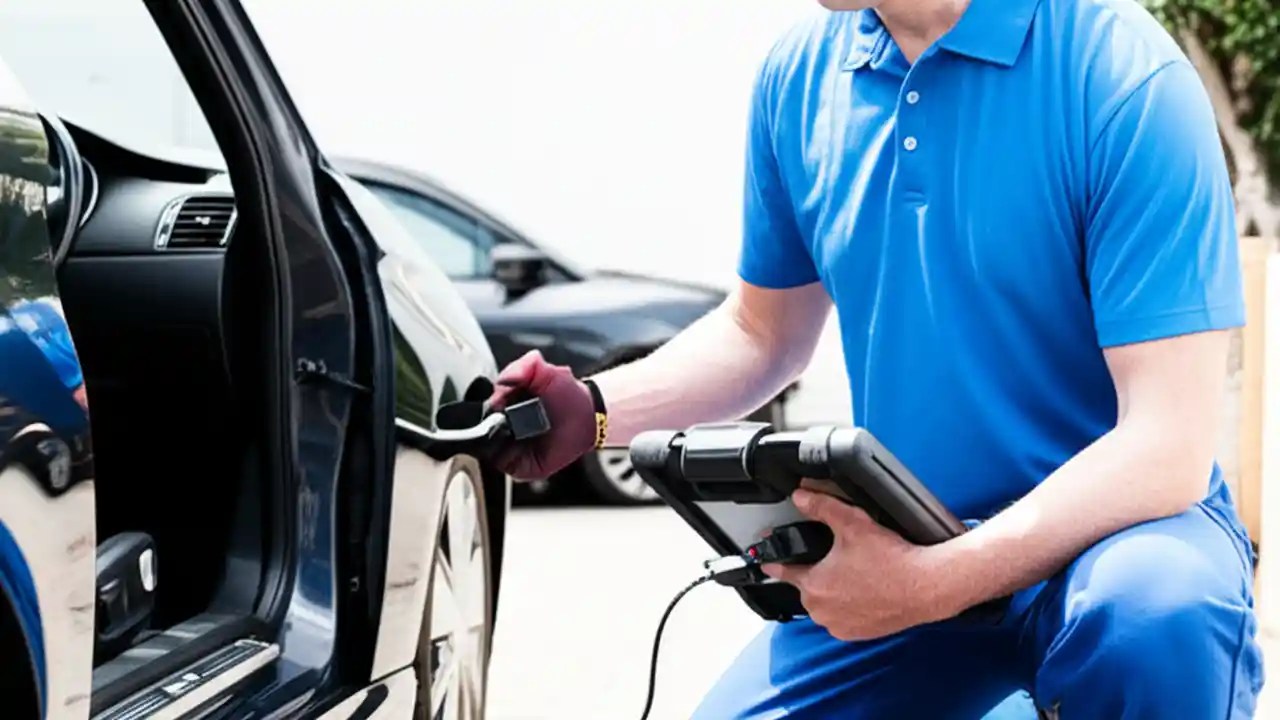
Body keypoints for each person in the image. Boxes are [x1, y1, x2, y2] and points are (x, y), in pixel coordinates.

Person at [487, 0, 1265, 716]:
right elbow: (763, 333)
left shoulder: (1125, 76)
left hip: (1113, 542)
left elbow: (1166, 446)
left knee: (1155, 615)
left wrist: (936, 583)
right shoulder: (800, 78)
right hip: (904, 538)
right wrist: (591, 411)